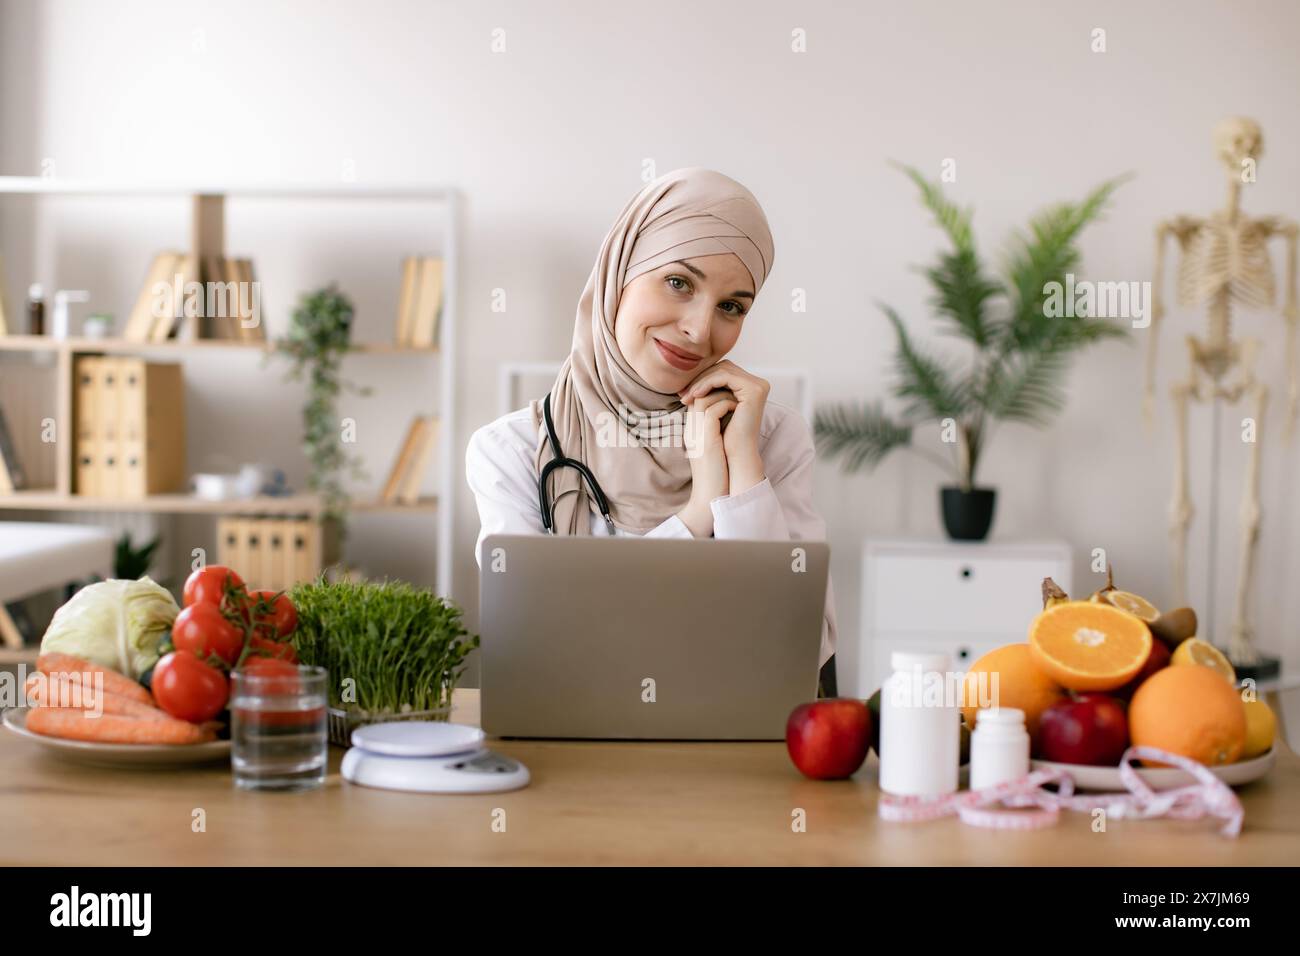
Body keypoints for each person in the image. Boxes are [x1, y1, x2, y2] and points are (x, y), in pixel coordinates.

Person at [466, 166, 838, 690]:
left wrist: (744, 472)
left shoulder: (774, 437)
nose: (700, 329)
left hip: (738, 753)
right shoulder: (512, 449)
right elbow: (538, 642)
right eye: (678, 282)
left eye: (731, 306)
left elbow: (800, 649)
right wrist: (697, 512)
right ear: (618, 274)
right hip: (574, 750)